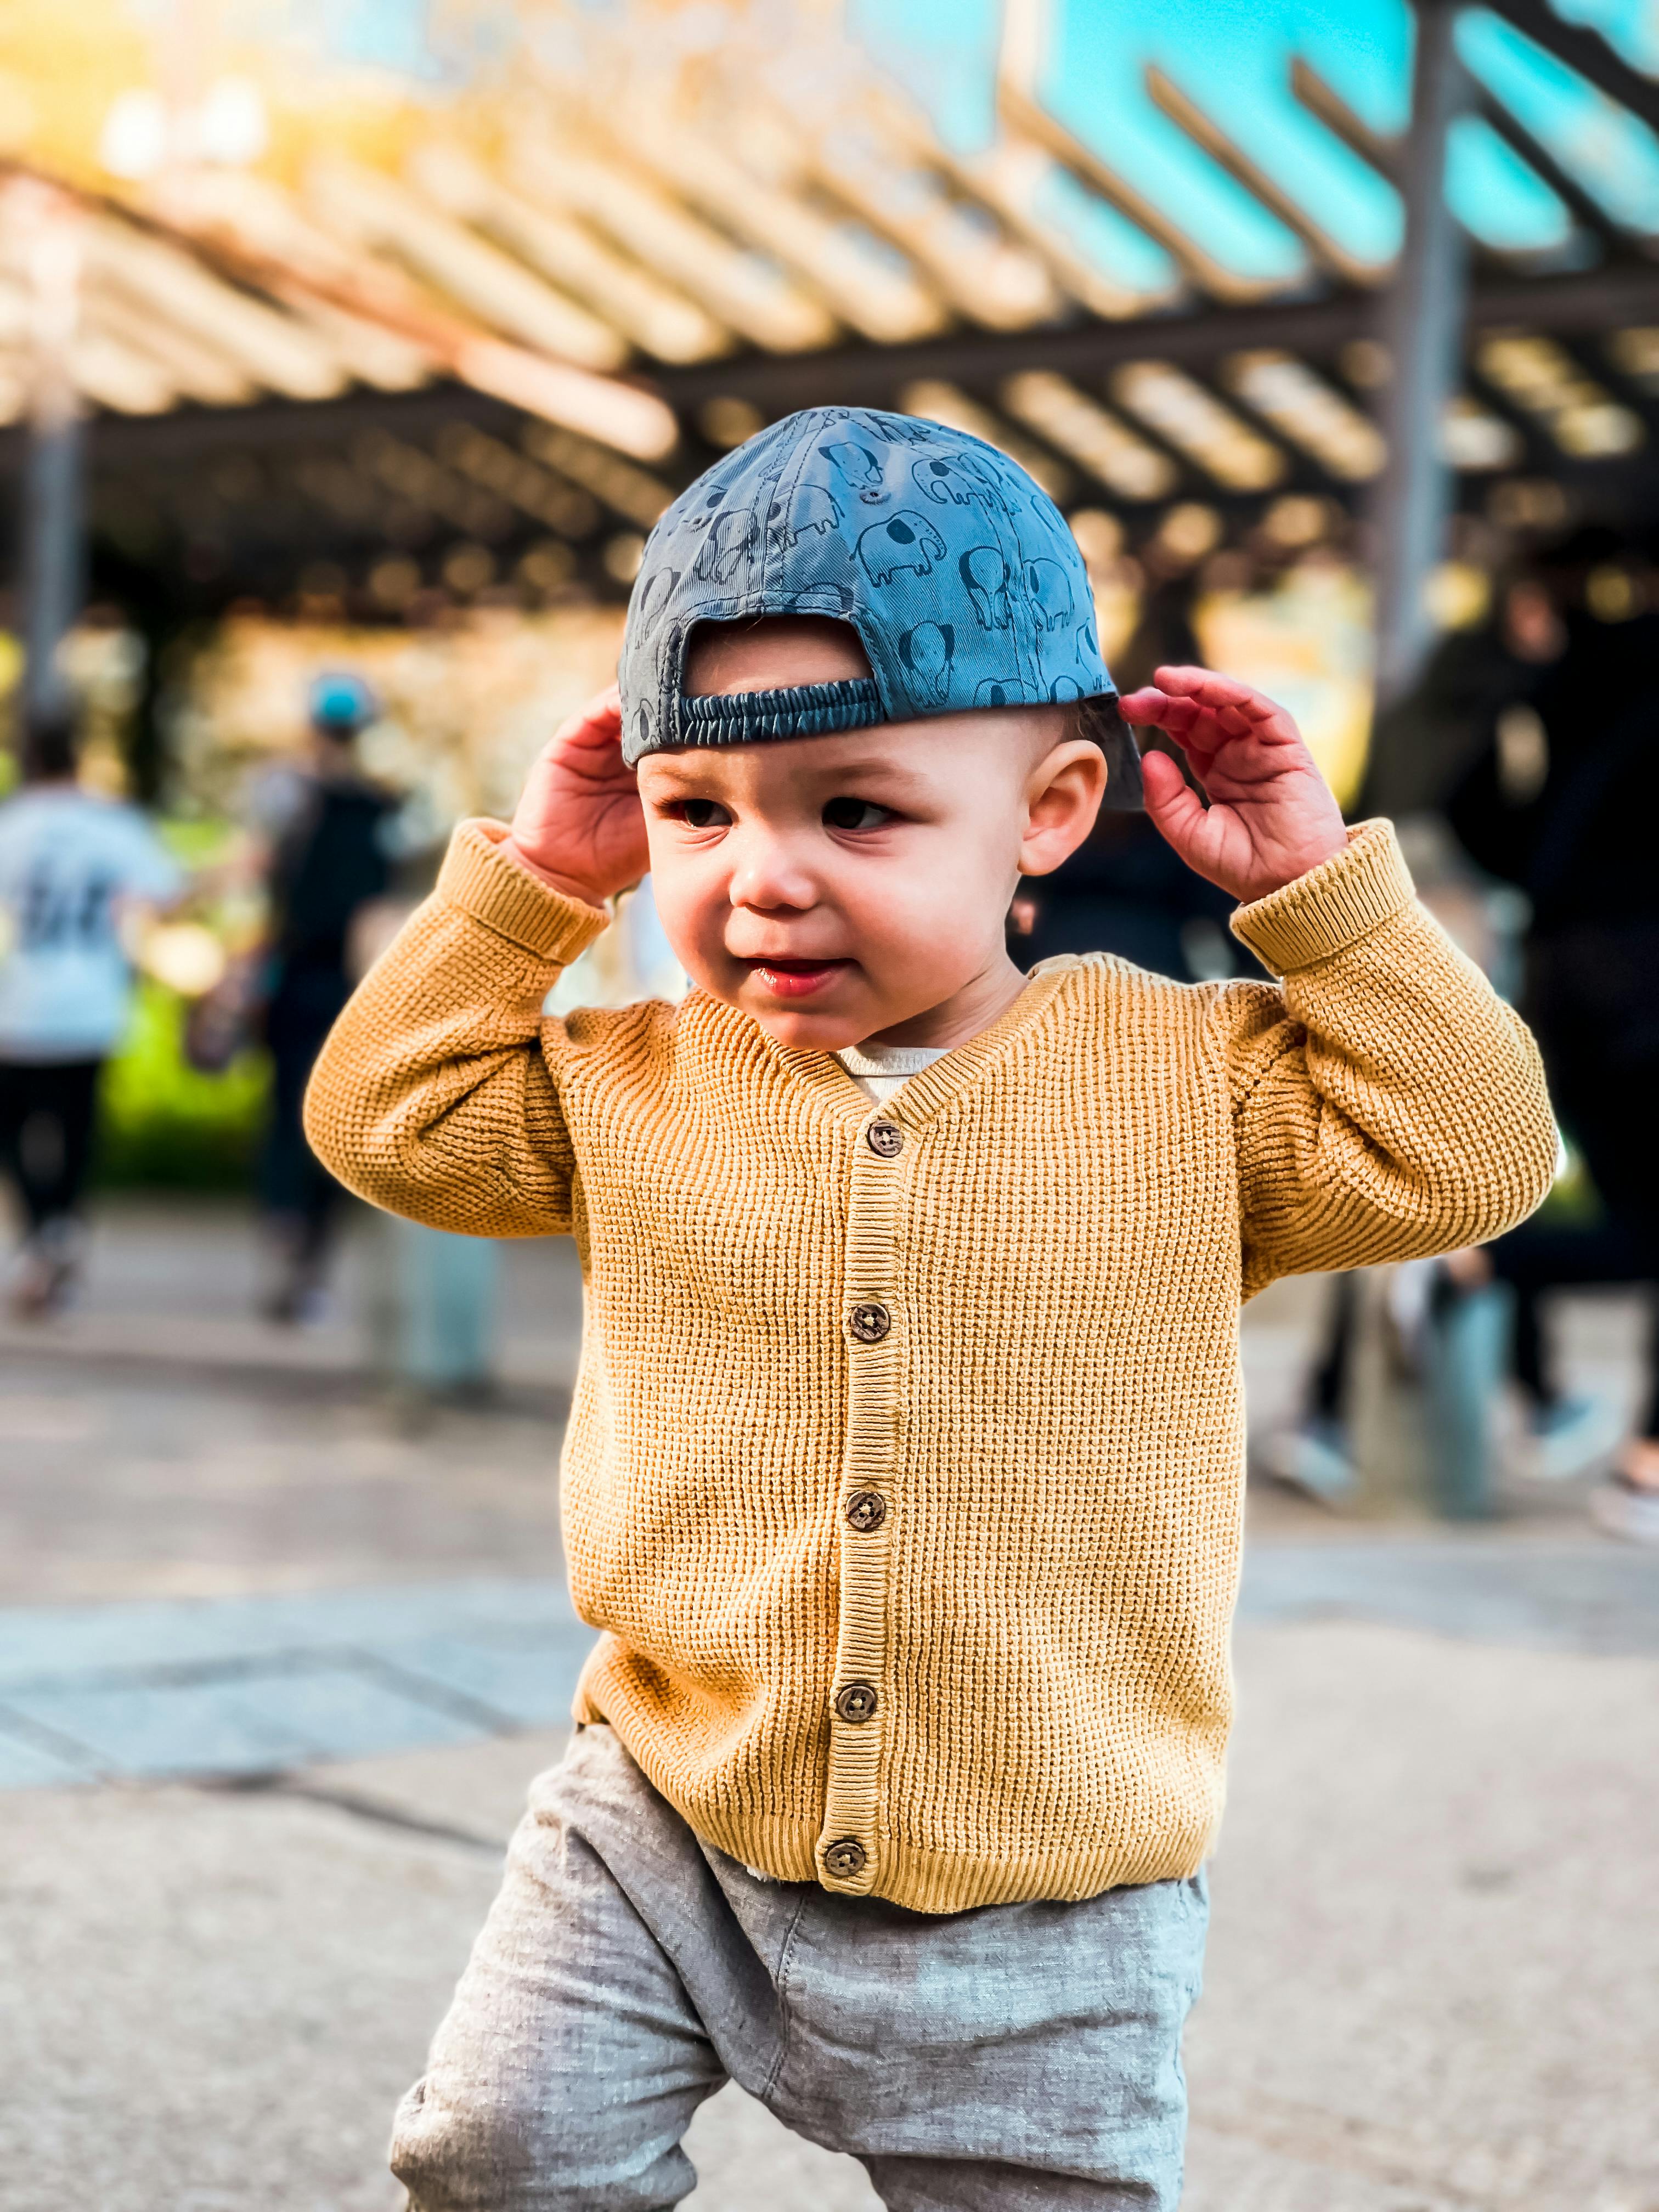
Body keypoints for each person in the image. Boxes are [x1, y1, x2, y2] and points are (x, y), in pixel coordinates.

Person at [305, 408, 1554, 2210]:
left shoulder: (1177, 1081)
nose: (762, 875)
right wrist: (541, 889)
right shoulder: (634, 1080)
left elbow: (1472, 1151)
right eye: (694, 813)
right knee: (497, 2147)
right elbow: (383, 1122)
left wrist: (1311, 895)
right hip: (666, 1818)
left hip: (1048, 1897)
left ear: (1050, 812)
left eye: (857, 811)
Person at [1444, 528, 1659, 1540]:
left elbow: (1471, 801)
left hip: (1565, 968)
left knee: (1622, 1206)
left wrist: (1538, 874)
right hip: (1640, 971)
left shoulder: (1556, 678)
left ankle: (1480, 1263)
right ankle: (1643, 1467)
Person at [0, 701, 184, 1316]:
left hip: (20, 1005)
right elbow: (166, 894)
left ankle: (41, 1232)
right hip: (89, 1004)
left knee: (16, 1131)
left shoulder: (13, 824)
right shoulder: (114, 826)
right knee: (76, 1130)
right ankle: (60, 1230)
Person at [252, 672, 391, 1322]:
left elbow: (261, 883)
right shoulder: (380, 811)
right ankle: (311, 1260)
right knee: (334, 1124)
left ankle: (285, 1234)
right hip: (350, 988)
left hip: (292, 979)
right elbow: (376, 912)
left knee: (285, 1113)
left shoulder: (287, 798)